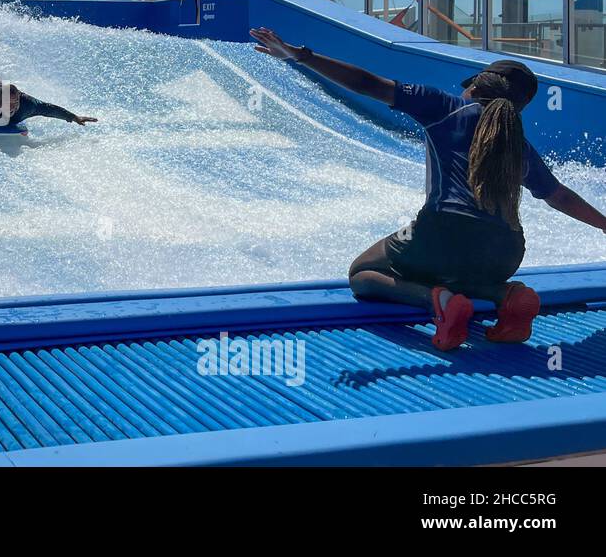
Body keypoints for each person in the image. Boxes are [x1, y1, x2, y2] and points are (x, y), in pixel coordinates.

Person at [251, 27, 606, 351]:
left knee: (361, 273)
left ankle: (438, 301)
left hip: (441, 233)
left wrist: (302, 56)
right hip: (506, 252)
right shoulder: (519, 145)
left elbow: (366, 83)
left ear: (478, 86)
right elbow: (559, 195)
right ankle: (508, 294)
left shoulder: (445, 107)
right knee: (461, 267)